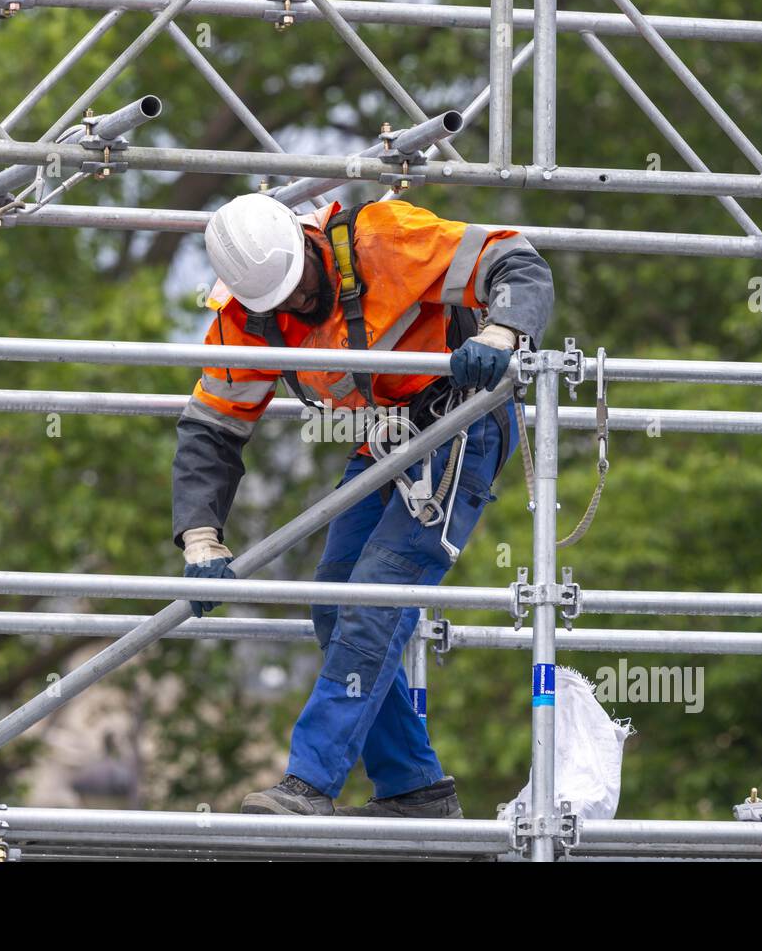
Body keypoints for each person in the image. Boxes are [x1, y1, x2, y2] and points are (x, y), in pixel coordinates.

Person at [172, 192, 554, 817]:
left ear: (309, 245)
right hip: (382, 441)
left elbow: (517, 262)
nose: (297, 305)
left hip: (459, 423)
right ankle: (414, 789)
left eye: (301, 288)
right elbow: (212, 428)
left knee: (375, 602)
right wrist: (200, 538)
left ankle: (308, 784)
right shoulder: (247, 314)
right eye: (281, 302)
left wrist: (501, 329)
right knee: (331, 605)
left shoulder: (383, 237)